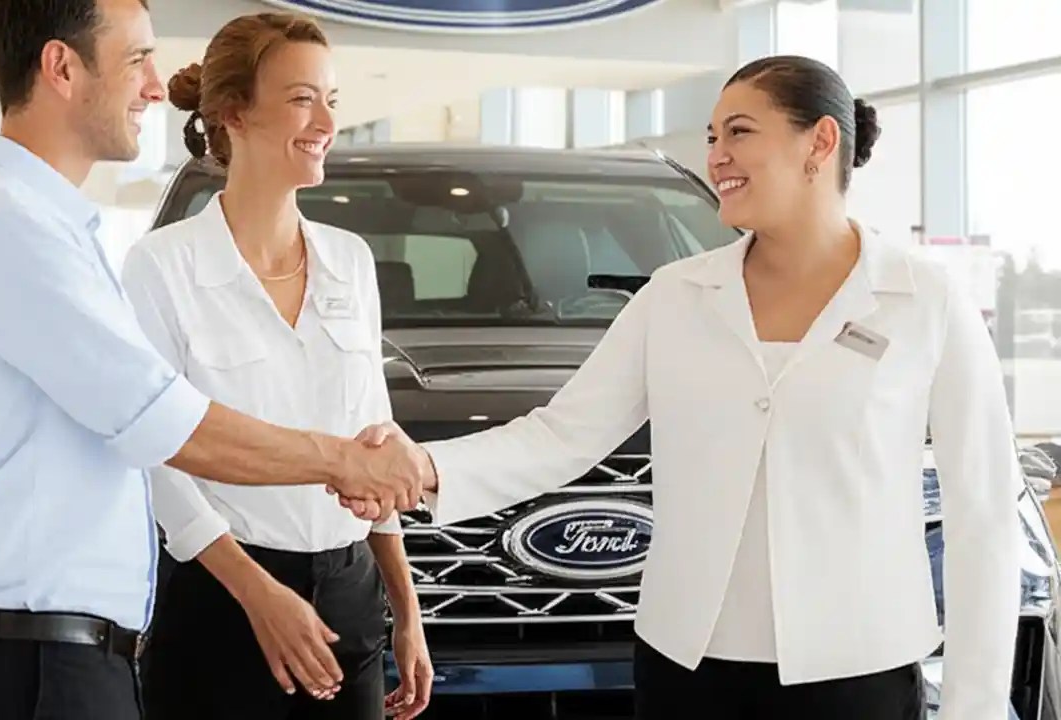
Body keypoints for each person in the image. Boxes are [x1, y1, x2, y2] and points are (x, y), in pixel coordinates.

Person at [345, 55, 1022, 720]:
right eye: (711, 137)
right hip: (688, 669)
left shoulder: (924, 301)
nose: (717, 155)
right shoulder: (676, 295)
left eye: (739, 132)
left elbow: (983, 512)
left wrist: (977, 704)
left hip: (858, 669)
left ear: (820, 141)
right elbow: (563, 435)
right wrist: (429, 465)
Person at [0, 2, 426, 719]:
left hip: (73, 656)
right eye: (136, 60)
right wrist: (344, 462)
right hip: (40, 666)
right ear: (61, 67)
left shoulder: (51, 227)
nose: (157, 86)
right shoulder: (12, 228)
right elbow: (163, 428)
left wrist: (399, 591)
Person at [120, 13, 432, 720]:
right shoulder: (163, 266)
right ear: (232, 113)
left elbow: (372, 439)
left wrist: (406, 611)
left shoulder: (350, 261)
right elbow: (158, 460)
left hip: (350, 592)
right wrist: (259, 595)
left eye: (332, 100)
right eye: (302, 98)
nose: (326, 120)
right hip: (222, 598)